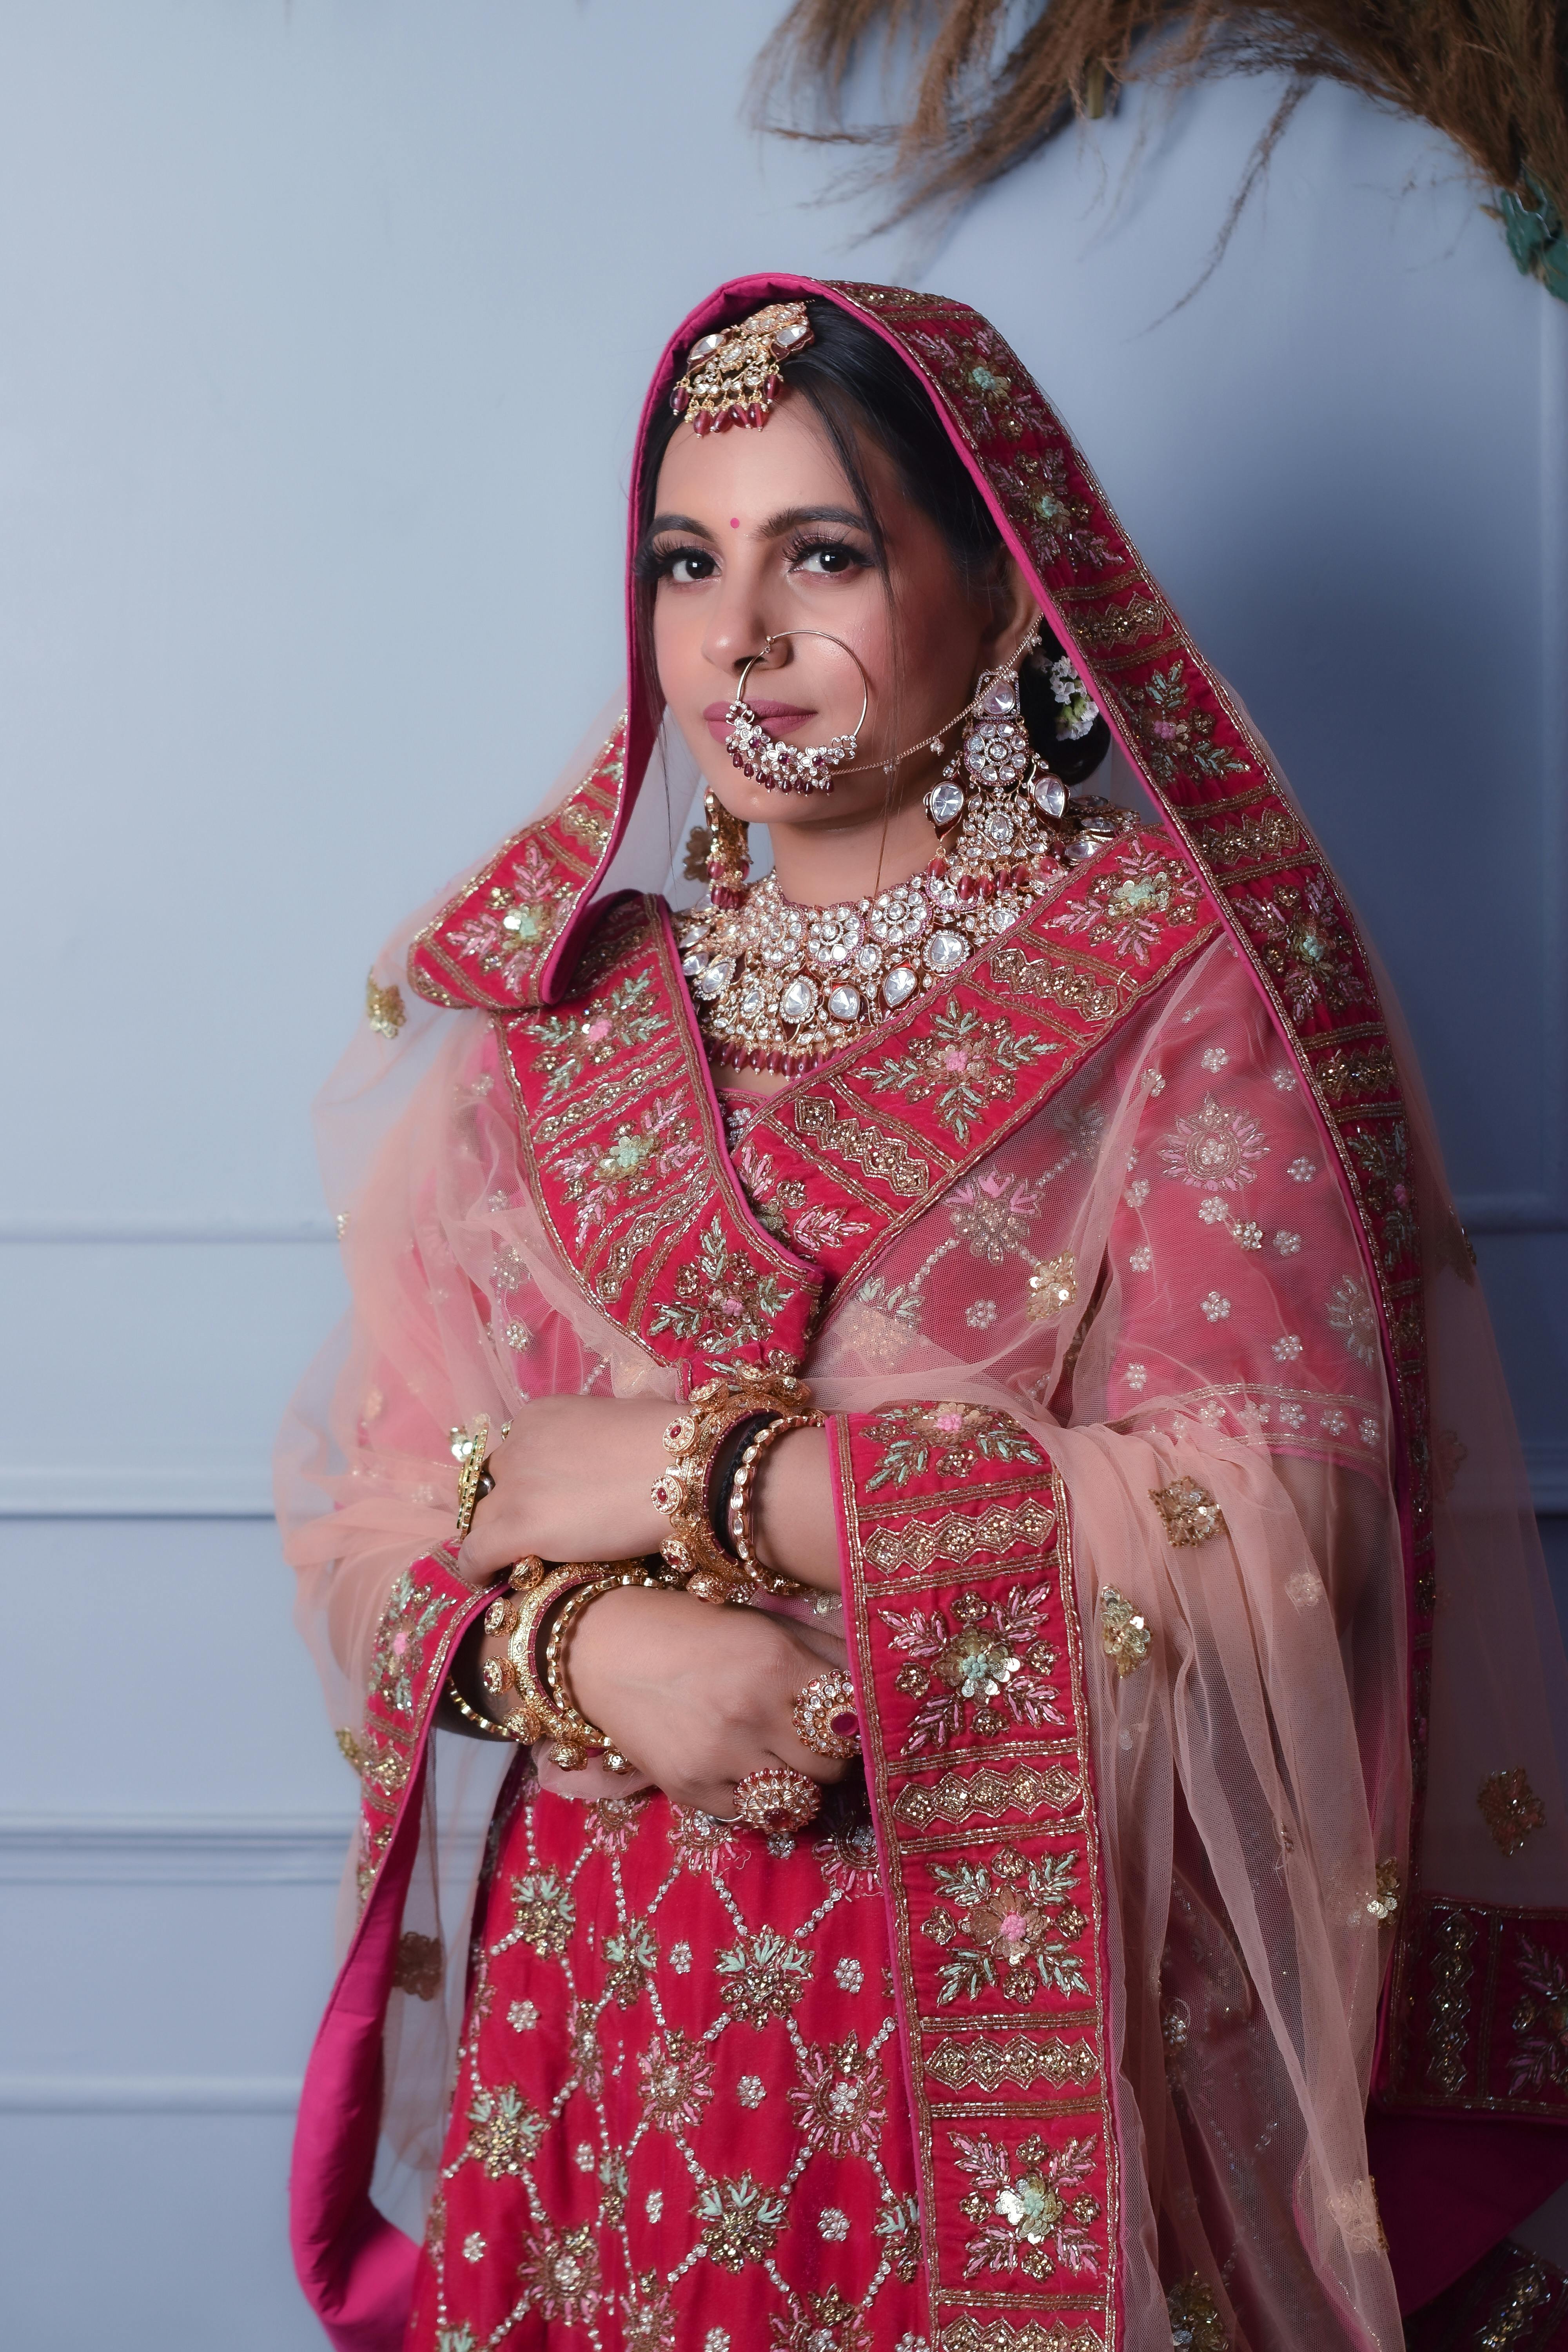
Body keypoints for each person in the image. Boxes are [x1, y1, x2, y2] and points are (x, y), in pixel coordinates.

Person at [280, 277, 1568, 2352]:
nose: (741, 636)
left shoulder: (1180, 999)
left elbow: (1271, 1538)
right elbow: (375, 1517)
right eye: (688, 563)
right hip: (611, 2036)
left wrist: (698, 1474)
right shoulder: (560, 1036)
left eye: (828, 552)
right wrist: (599, 1648)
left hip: (1017, 2018)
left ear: (1007, 590)